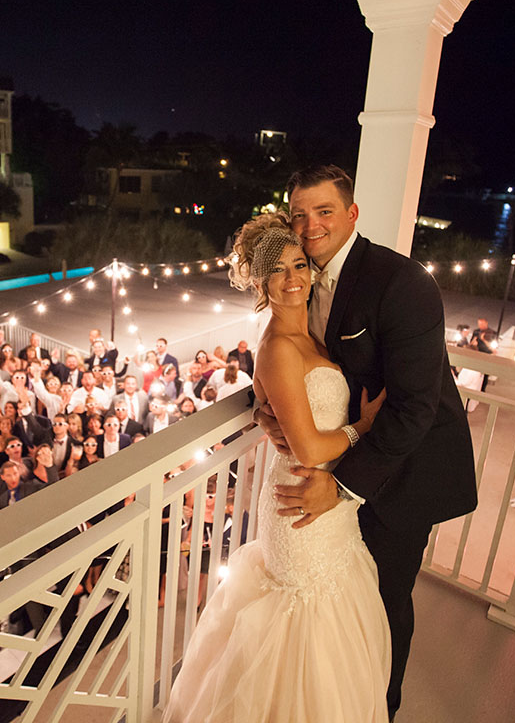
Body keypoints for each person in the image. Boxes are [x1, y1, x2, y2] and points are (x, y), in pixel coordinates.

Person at [257, 166, 478, 718]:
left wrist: (342, 488)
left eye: (324, 211)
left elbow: (415, 409)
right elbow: (290, 359)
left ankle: (382, 707)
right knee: (341, 609)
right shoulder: (301, 279)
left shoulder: (403, 282)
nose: (310, 226)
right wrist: (264, 407)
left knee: (381, 604)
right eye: (299, 215)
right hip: (341, 460)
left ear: (351, 213)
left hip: (404, 472)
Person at [165, 211, 390, 723]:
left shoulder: (313, 332)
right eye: (278, 271)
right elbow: (308, 449)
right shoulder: (278, 347)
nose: (293, 279)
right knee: (304, 630)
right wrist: (364, 427)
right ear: (261, 284)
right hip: (300, 502)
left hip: (332, 500)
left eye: (299, 265)